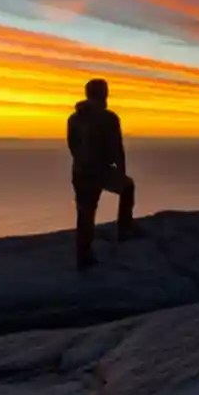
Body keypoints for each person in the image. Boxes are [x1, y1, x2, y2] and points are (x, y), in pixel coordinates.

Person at [67, 78, 135, 269]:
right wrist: (120, 171)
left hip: (80, 172)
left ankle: (83, 255)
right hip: (99, 171)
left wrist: (82, 163)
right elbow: (117, 148)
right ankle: (124, 229)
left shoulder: (74, 118)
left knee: (85, 212)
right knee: (127, 187)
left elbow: (72, 145)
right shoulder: (109, 118)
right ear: (103, 94)